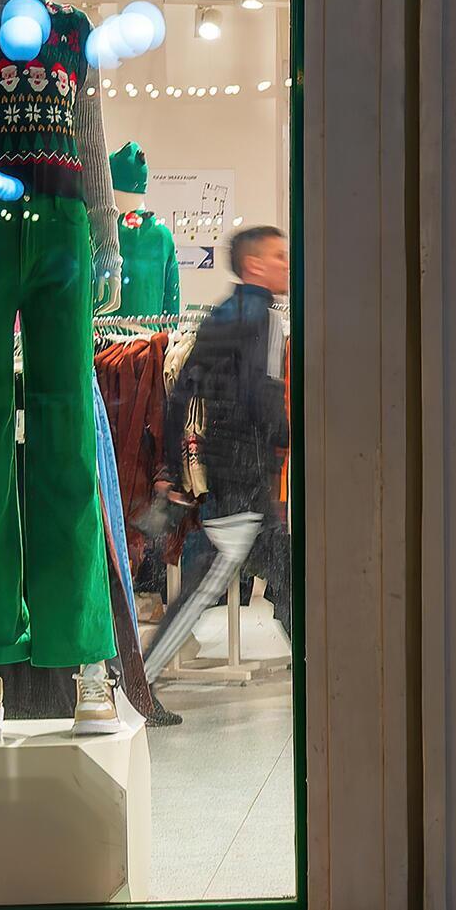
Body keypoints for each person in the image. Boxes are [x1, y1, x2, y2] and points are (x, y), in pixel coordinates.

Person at [141, 225, 291, 683]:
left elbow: (184, 389)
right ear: (254, 265)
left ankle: (323, 669)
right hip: (242, 473)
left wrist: (173, 464)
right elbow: (262, 393)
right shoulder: (262, 317)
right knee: (206, 583)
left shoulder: (226, 313)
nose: (288, 264)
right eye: (280, 257)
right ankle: (137, 681)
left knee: (286, 573)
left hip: (231, 468)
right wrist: (284, 435)